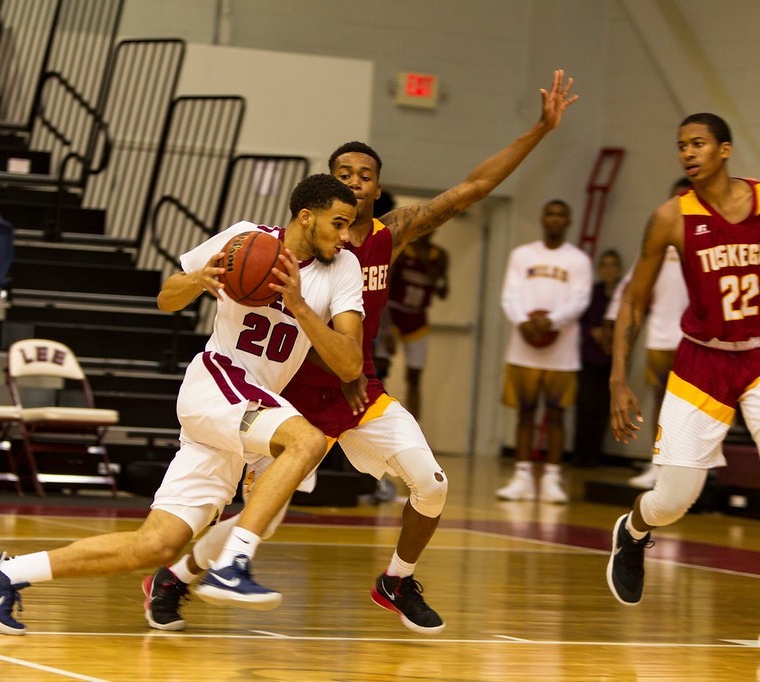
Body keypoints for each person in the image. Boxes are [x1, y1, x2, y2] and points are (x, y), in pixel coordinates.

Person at [142, 69, 579, 634]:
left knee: (433, 483)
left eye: (364, 175)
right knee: (262, 523)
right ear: (326, 187)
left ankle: (396, 580)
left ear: (377, 187)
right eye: (342, 173)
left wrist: (539, 131)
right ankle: (179, 574)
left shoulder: (384, 236)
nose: (354, 181)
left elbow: (471, 189)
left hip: (359, 390)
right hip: (288, 393)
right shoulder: (296, 246)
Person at [0, 173, 365, 635]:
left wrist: (298, 305)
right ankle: (232, 566)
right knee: (306, 442)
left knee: (157, 544)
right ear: (306, 216)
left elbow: (349, 364)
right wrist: (198, 279)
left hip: (254, 408)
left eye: (350, 226)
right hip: (219, 383)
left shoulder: (343, 268)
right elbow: (166, 298)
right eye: (338, 224)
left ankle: (7, 573)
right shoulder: (246, 240)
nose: (345, 236)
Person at [607, 113, 760, 607]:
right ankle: (633, 531)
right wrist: (618, 379)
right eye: (681, 146)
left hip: (757, 357)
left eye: (698, 143)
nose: (688, 153)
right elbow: (633, 300)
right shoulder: (671, 217)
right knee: (672, 501)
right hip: (703, 363)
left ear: (725, 150)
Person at [497, 199, 593, 503]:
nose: (554, 219)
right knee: (524, 413)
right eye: (550, 214)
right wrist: (524, 322)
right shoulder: (522, 255)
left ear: (568, 221)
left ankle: (552, 478)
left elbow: (579, 301)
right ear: (542, 218)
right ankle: (521, 476)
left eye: (560, 215)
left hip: (561, 350)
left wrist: (551, 321)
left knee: (556, 414)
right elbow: (509, 296)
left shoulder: (578, 260)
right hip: (523, 348)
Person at [604, 178, 692, 488]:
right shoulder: (661, 240)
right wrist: (611, 320)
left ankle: (691, 470)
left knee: (694, 407)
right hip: (660, 335)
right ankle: (660, 464)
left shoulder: (704, 240)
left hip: (696, 339)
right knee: (661, 402)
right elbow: (630, 290)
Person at [381, 233, 450, 419]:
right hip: (394, 314)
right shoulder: (404, 250)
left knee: (414, 376)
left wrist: (435, 274)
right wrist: (385, 327)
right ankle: (376, 418)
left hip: (418, 318)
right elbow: (385, 285)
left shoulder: (439, 255)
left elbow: (444, 292)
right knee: (380, 368)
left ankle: (414, 424)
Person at [570, 248, 623, 467]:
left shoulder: (623, 294)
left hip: (612, 360)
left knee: (604, 409)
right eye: (605, 265)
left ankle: (594, 454)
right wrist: (593, 331)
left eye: (613, 265)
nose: (609, 270)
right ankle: (579, 453)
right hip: (591, 357)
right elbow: (580, 320)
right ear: (600, 269)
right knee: (585, 407)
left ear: (618, 269)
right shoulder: (592, 292)